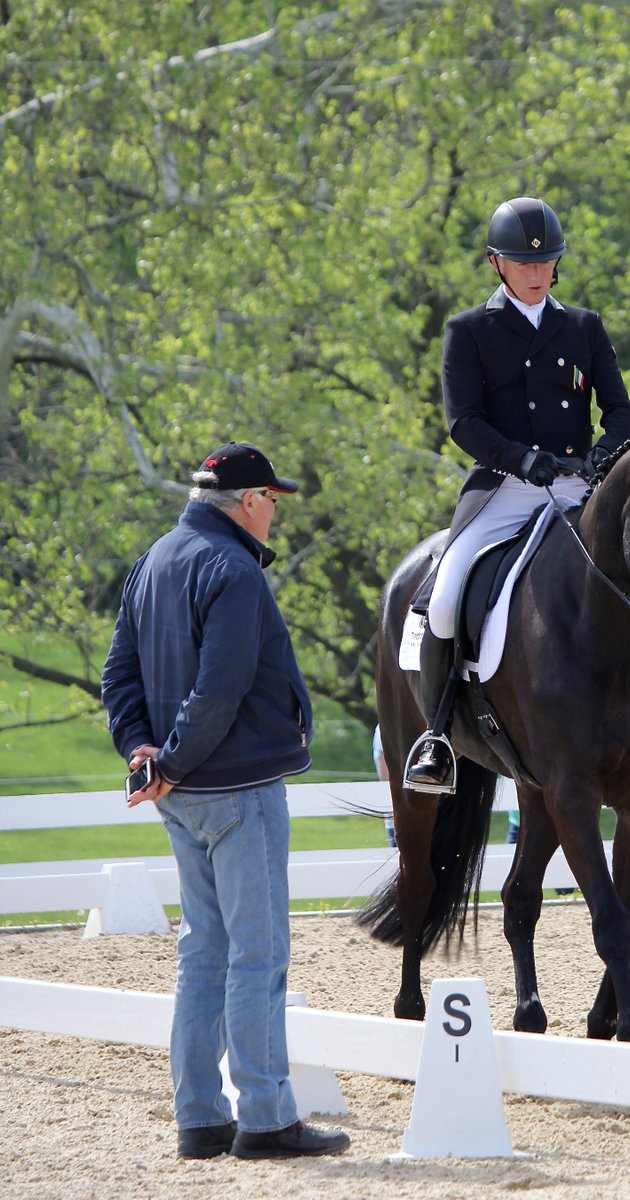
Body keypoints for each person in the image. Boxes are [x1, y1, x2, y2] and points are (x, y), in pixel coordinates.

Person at [101, 441, 350, 1162]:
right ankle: (268, 1118)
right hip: (236, 787)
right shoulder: (235, 570)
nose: (274, 513)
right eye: (272, 500)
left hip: (178, 796)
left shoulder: (154, 559)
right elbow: (221, 687)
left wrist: (142, 754)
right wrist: (170, 757)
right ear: (248, 502)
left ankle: (201, 1117)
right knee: (257, 956)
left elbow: (118, 672)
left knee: (203, 955)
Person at [405, 195, 630, 789]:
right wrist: (523, 458)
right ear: (496, 264)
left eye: (546, 263)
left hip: (581, 489)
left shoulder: (582, 326)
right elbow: (464, 423)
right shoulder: (469, 331)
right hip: (504, 489)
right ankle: (436, 734)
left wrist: (605, 453)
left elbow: (620, 410)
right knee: (446, 596)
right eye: (523, 264)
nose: (536, 273)